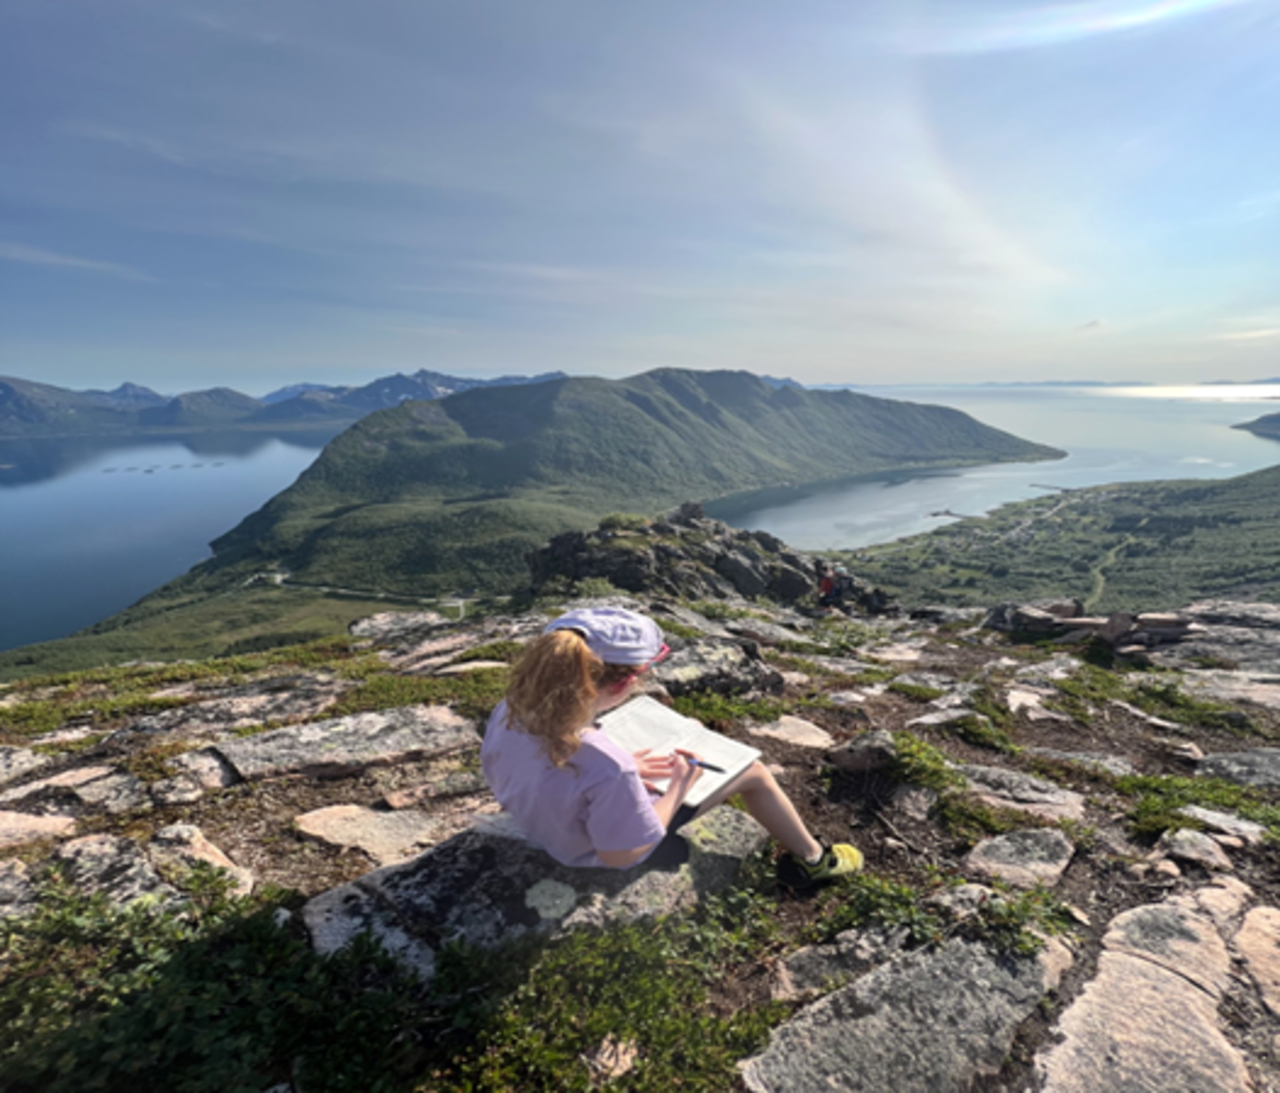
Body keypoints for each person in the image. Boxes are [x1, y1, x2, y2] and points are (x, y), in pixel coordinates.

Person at [481, 606, 863, 887]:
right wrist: (680, 784)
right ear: (623, 683)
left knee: (690, 730)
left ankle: (811, 856)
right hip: (587, 853)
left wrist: (623, 768)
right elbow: (622, 855)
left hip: (543, 821)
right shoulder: (609, 766)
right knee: (754, 773)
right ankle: (813, 860)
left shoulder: (510, 711)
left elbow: (549, 765)